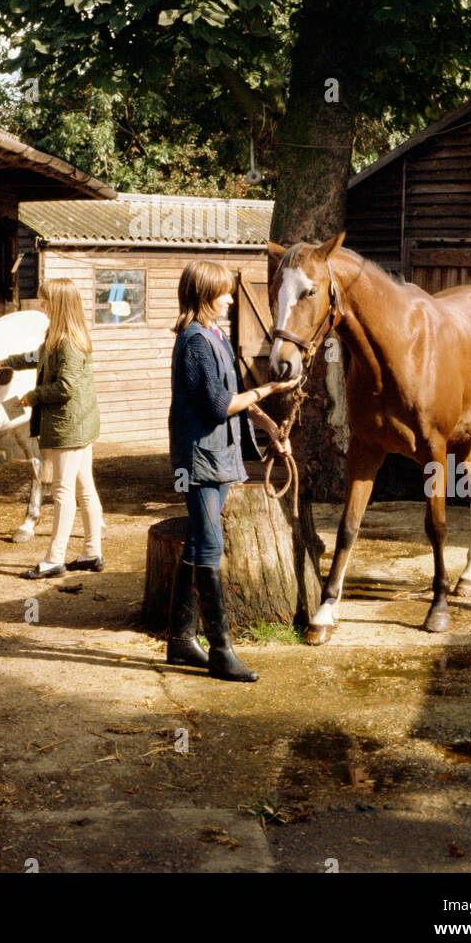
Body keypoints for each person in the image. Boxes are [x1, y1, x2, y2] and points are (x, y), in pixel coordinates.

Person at [167, 261, 297, 682]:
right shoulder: (195, 344)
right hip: (199, 460)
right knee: (208, 546)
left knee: (196, 543)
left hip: (219, 457)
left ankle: (181, 640)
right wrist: (270, 390)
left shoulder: (217, 336)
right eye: (223, 293)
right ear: (205, 295)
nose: (230, 299)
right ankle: (221, 650)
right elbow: (220, 406)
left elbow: (234, 395)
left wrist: (270, 426)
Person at [0, 278, 103, 578]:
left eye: (46, 300)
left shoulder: (70, 343)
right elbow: (37, 357)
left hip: (69, 428)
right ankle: (92, 552)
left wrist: (31, 397)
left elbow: (64, 388)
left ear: (60, 304)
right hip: (79, 425)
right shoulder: (57, 336)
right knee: (85, 488)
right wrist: (8, 362)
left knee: (63, 493)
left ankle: (54, 559)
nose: (42, 305)